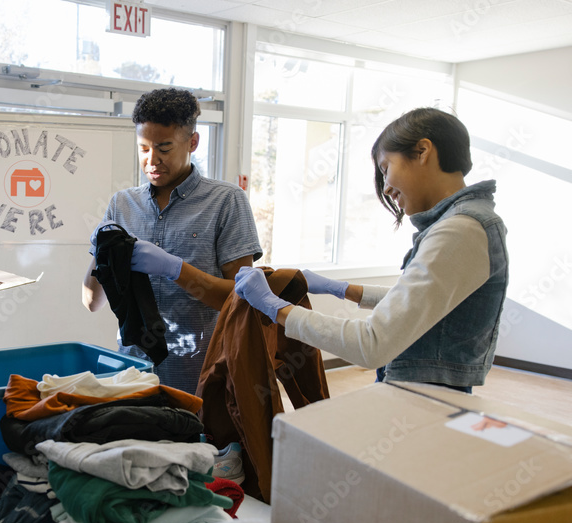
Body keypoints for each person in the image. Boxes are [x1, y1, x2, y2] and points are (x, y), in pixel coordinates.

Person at [234, 107, 508, 393]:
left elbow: (371, 344)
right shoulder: (465, 223)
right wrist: (341, 289)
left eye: (386, 169)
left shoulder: (460, 230)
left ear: (423, 151)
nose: (387, 188)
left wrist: (274, 307)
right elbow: (417, 302)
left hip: (423, 399)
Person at [82, 88, 262, 396]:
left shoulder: (226, 201)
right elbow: (92, 302)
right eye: (143, 148)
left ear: (192, 142)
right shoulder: (122, 204)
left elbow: (241, 300)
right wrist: (102, 255)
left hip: (201, 374)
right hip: (133, 373)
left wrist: (174, 269)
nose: (152, 161)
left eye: (164, 148)